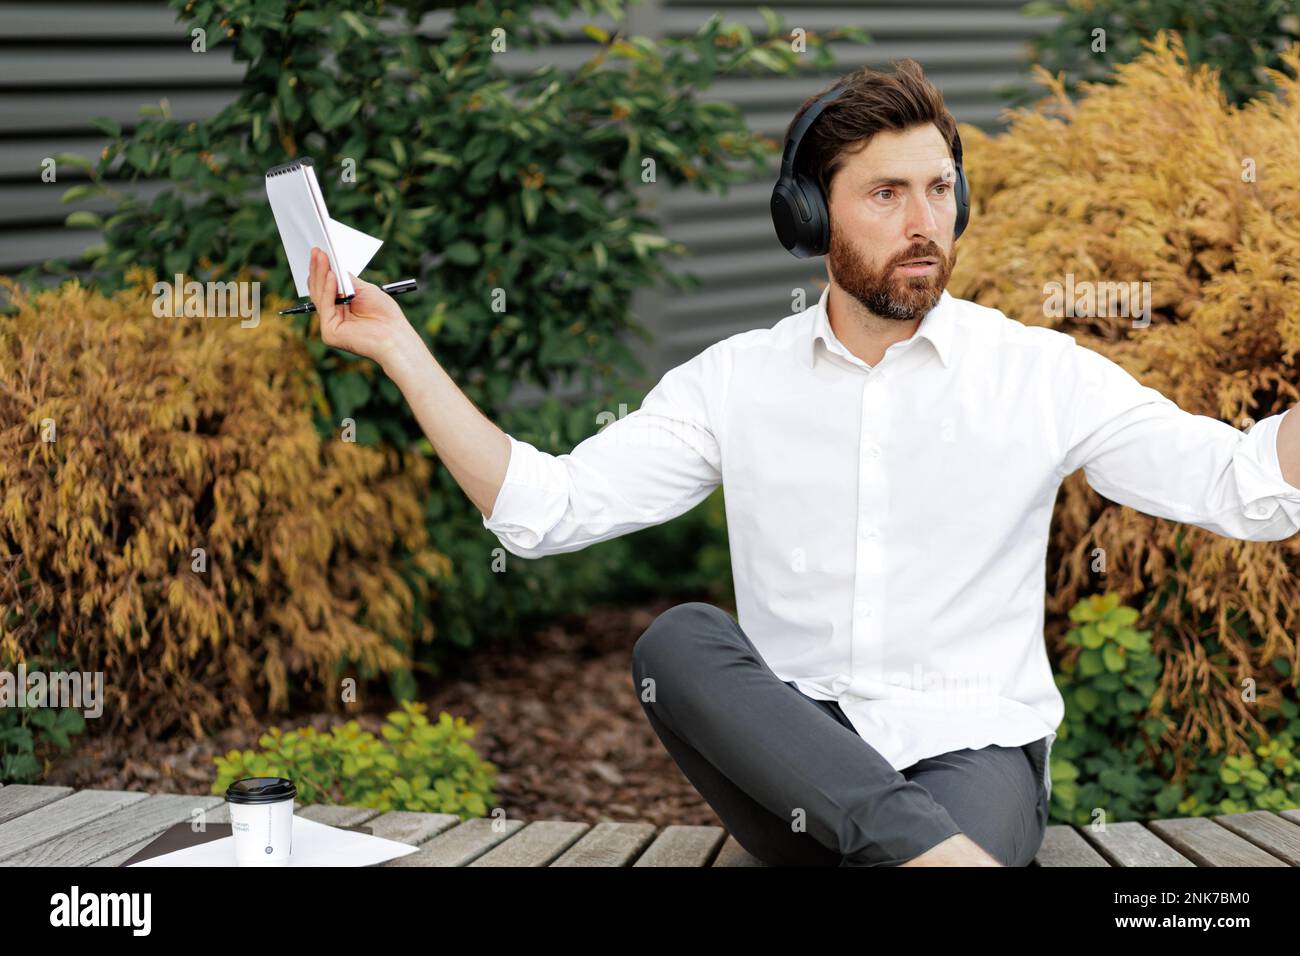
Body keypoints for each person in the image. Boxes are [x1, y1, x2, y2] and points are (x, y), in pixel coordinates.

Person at [304, 59, 1300, 867]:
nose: (925, 223)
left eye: (940, 190)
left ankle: (918, 851)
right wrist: (399, 347)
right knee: (679, 642)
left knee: (911, 839)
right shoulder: (735, 380)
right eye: (886, 194)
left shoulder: (1034, 373)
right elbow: (544, 507)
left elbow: (1242, 483)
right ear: (811, 218)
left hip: (972, 752)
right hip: (788, 758)